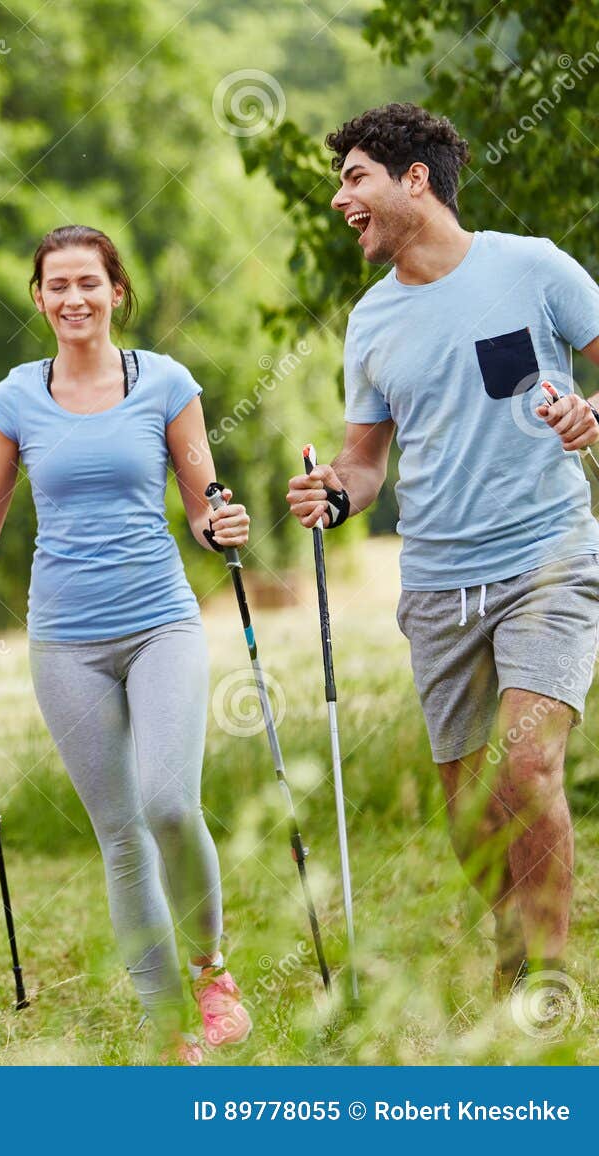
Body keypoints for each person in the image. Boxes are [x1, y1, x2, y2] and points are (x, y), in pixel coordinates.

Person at [287, 103, 599, 1005]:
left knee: (527, 766)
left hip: (550, 556)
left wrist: (592, 415)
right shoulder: (370, 321)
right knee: (471, 810)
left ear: (415, 179)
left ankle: (543, 984)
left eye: (355, 177)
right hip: (436, 581)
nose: (341, 198)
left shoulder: (532, 267)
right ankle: (513, 938)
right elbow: (365, 462)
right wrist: (334, 493)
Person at [0, 225, 254, 1064]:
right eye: (57, 285)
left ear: (117, 291)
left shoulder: (166, 384)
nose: (74, 298)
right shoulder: (13, 400)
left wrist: (221, 525)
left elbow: (201, 507)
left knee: (169, 805)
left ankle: (211, 970)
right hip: (65, 640)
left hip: (161, 622)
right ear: (38, 299)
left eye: (89, 283)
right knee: (120, 835)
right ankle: (166, 1024)